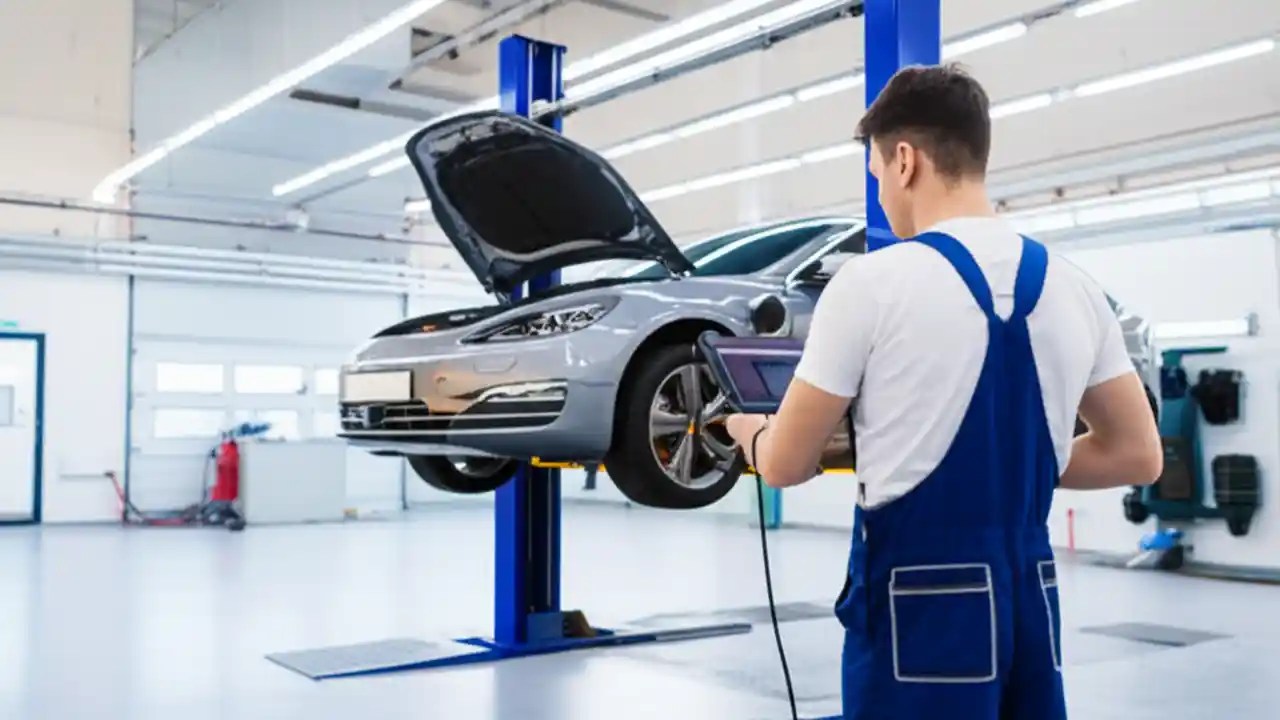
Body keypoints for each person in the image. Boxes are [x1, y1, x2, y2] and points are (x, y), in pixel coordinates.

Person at [724, 64, 1162, 719]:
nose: (881, 194)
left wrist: (750, 433)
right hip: (1029, 604)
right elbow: (1138, 455)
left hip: (918, 611)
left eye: (876, 173)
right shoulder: (1076, 288)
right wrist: (1017, 464)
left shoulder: (869, 285)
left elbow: (786, 464)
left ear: (904, 161)